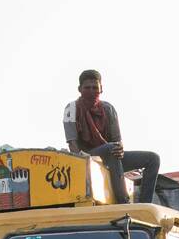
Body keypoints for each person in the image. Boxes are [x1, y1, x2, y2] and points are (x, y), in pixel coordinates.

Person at [63, 69, 161, 204]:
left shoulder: (108, 109)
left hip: (112, 157)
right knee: (110, 148)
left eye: (95, 87)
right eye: (87, 88)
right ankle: (123, 201)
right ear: (79, 89)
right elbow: (72, 145)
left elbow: (118, 141)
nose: (91, 91)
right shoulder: (71, 109)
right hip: (86, 158)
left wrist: (120, 148)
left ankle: (145, 203)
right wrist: (88, 160)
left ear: (101, 89)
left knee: (153, 159)